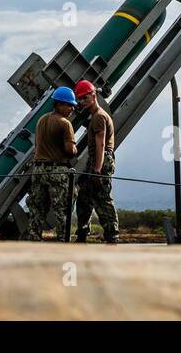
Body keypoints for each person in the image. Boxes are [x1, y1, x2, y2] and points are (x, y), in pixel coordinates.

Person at [26, 86, 77, 242]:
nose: (72, 108)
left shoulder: (41, 120)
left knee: (37, 209)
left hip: (38, 171)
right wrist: (75, 148)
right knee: (61, 208)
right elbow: (70, 150)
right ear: (59, 104)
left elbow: (37, 145)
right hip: (57, 172)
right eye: (69, 105)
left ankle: (34, 238)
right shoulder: (64, 123)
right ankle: (63, 240)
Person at [72, 81, 119, 244]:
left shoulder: (99, 117)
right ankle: (82, 233)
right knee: (84, 198)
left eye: (84, 98)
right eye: (79, 99)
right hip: (95, 160)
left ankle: (112, 235)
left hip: (101, 161)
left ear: (93, 95)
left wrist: (97, 170)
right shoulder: (96, 116)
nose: (82, 102)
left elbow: (101, 143)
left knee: (102, 198)